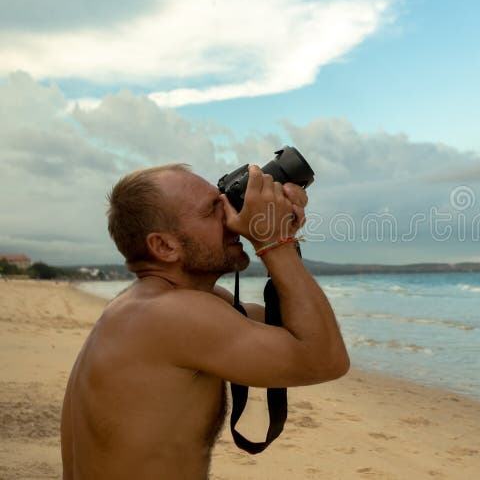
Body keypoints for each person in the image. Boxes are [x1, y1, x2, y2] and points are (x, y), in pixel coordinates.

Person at [60, 163, 349, 479]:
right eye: (213, 210)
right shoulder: (168, 315)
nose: (230, 216)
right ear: (165, 246)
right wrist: (273, 244)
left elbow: (298, 326)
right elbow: (326, 358)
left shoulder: (152, 306)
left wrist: (283, 234)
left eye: (225, 199)